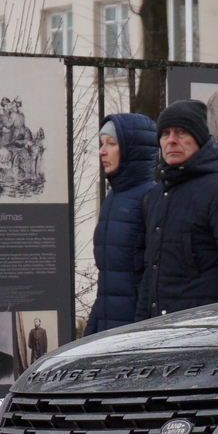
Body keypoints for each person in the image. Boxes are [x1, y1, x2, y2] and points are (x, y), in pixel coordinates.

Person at [137, 99, 218, 320]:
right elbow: (151, 275)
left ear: (199, 137)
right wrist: (140, 327)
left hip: (206, 330)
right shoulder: (156, 195)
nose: (171, 140)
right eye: (165, 133)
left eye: (181, 132)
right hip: (160, 330)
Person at [87, 112, 162, 334]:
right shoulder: (113, 197)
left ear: (133, 151)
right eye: (102, 143)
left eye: (111, 144)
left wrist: (141, 327)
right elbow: (108, 279)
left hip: (136, 331)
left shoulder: (151, 198)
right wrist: (92, 329)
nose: (102, 151)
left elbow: (154, 274)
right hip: (108, 327)